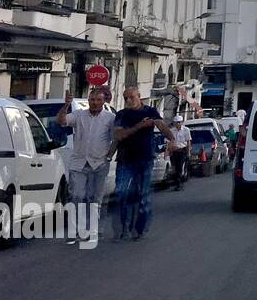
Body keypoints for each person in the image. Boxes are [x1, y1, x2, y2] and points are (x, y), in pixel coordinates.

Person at [112, 87, 178, 241]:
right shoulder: (121, 115)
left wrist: (172, 139)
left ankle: (139, 229)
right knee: (122, 193)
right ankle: (124, 228)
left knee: (143, 195)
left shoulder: (150, 111)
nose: (128, 100)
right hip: (125, 160)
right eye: (125, 97)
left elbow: (161, 126)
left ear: (139, 97)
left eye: (131, 97)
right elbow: (120, 135)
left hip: (145, 159)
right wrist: (140, 126)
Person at [56, 88, 115, 228]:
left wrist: (109, 156)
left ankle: (92, 227)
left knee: (95, 199)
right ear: (88, 101)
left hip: (99, 163)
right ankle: (75, 227)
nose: (95, 103)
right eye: (92, 100)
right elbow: (61, 121)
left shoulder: (110, 118)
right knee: (77, 195)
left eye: (99, 100)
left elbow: (116, 138)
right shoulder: (78, 115)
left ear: (103, 101)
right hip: (79, 163)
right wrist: (66, 105)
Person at [169, 116, 192, 190]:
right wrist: (169, 150)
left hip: (182, 150)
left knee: (179, 167)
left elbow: (188, 141)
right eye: (176, 122)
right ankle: (177, 182)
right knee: (175, 167)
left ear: (182, 122)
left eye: (179, 122)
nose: (178, 124)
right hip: (174, 151)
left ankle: (179, 184)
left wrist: (188, 152)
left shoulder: (186, 130)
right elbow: (169, 141)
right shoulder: (172, 130)